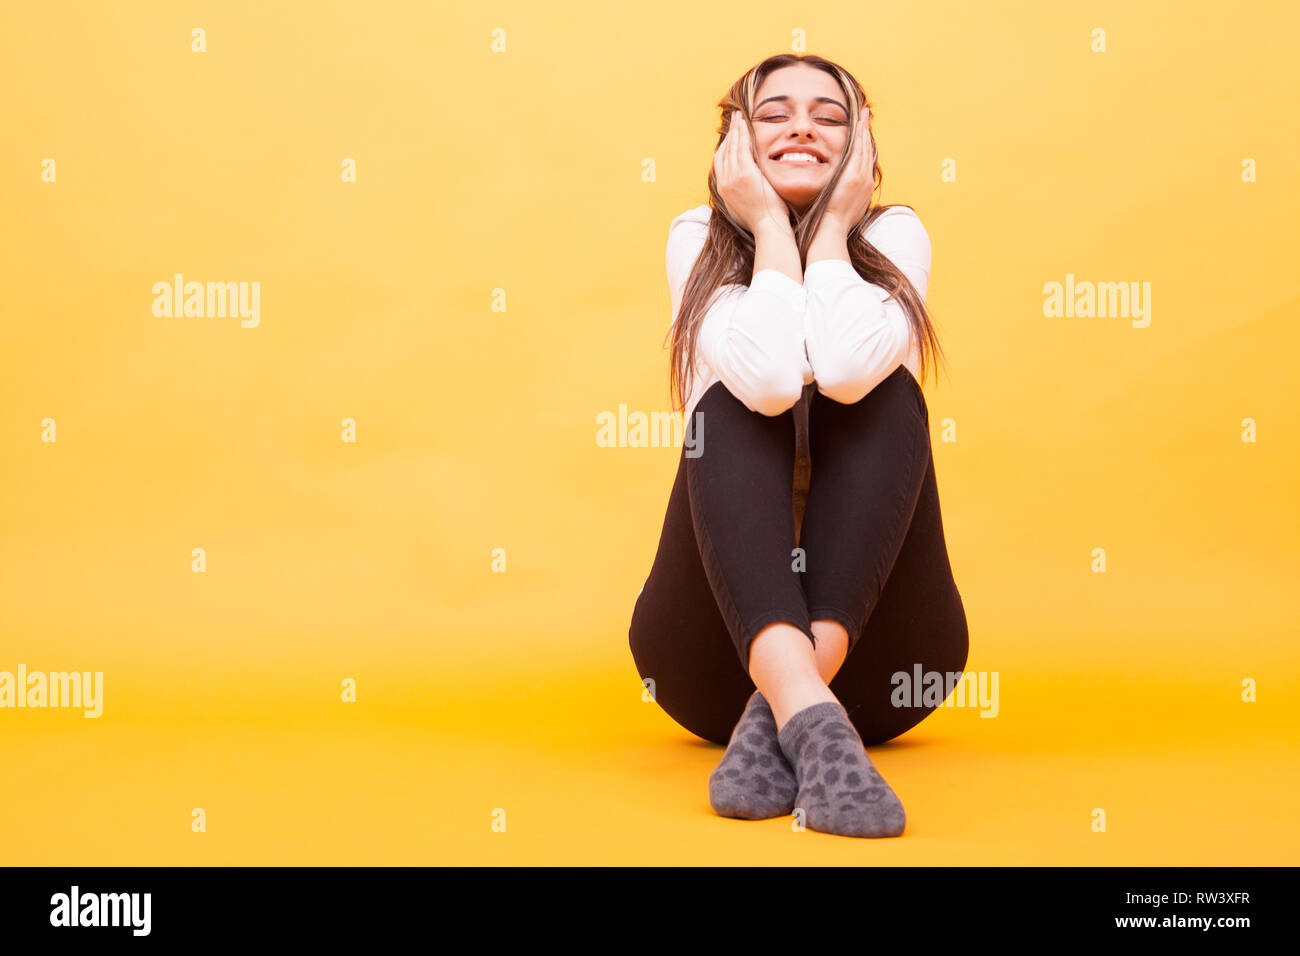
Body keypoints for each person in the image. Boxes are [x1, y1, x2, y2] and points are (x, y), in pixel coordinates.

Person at [627, 53, 969, 838]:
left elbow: (847, 371)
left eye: (830, 114)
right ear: (734, 144)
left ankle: (789, 709)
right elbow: (774, 380)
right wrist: (772, 227)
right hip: (706, 667)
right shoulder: (697, 237)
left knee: (885, 395)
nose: (803, 125)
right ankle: (810, 714)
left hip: (888, 675)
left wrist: (837, 232)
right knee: (736, 405)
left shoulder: (896, 233)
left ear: (863, 149)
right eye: (774, 112)